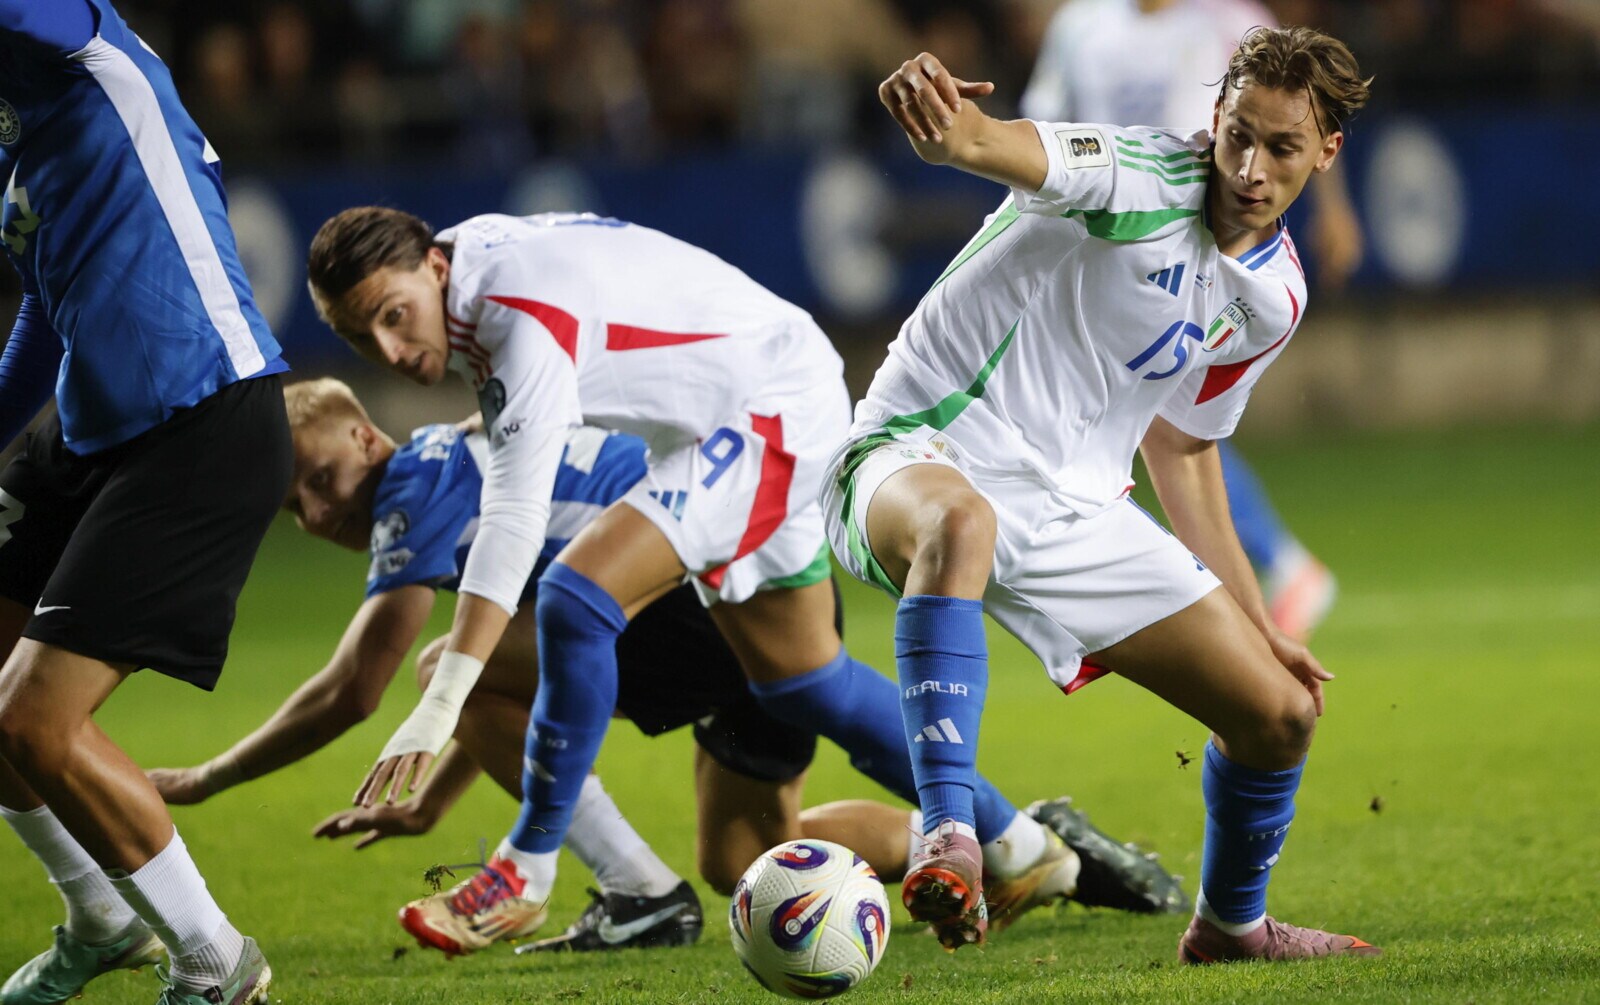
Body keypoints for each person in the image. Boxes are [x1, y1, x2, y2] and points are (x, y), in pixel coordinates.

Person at [150, 378, 1184, 955]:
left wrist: (203, 780)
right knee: (748, 864)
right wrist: (443, 785)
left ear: (361, 434)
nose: (320, 513)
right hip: (712, 590)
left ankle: (635, 894)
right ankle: (1027, 846)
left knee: (432, 669)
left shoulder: (414, 484)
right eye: (295, 509)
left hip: (697, 594)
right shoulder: (452, 470)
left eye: (320, 480)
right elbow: (519, 670)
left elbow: (357, 687)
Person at [849, 26, 1380, 960]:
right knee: (963, 521)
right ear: (1214, 121)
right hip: (919, 449)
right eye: (1238, 136)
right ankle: (947, 839)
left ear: (1327, 152)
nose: (1251, 167)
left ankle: (1230, 927)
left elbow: (1185, 448)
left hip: (1075, 512)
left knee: (1280, 714)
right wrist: (938, 117)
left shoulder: (1273, 296)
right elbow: (980, 141)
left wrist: (1259, 624)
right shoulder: (1134, 174)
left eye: (1282, 147)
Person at [0, 2, 288, 1002]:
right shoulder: (25, 144)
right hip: (85, 427)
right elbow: (47, 305)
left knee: (35, 722)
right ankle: (100, 914)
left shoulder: (88, 46)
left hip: (198, 410)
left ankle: (217, 959)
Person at [1021, 0, 1346, 639]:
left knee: (1170, 419)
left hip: (1198, 249)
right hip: (1108, 248)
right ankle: (1267, 571)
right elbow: (1044, 126)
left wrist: (1334, 206)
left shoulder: (1231, 22)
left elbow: (1303, 115)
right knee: (1152, 418)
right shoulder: (1079, 25)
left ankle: (1268, 568)